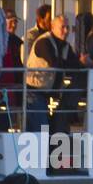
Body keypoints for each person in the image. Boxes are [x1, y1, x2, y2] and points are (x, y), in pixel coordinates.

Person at [25, 15, 78, 172]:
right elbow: (55, 63)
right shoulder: (44, 42)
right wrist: (74, 63)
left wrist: (86, 63)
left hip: (50, 94)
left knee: (57, 125)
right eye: (62, 27)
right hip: (34, 92)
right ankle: (36, 166)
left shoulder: (65, 46)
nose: (66, 30)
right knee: (41, 127)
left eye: (68, 27)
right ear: (52, 28)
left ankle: (54, 164)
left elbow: (75, 65)